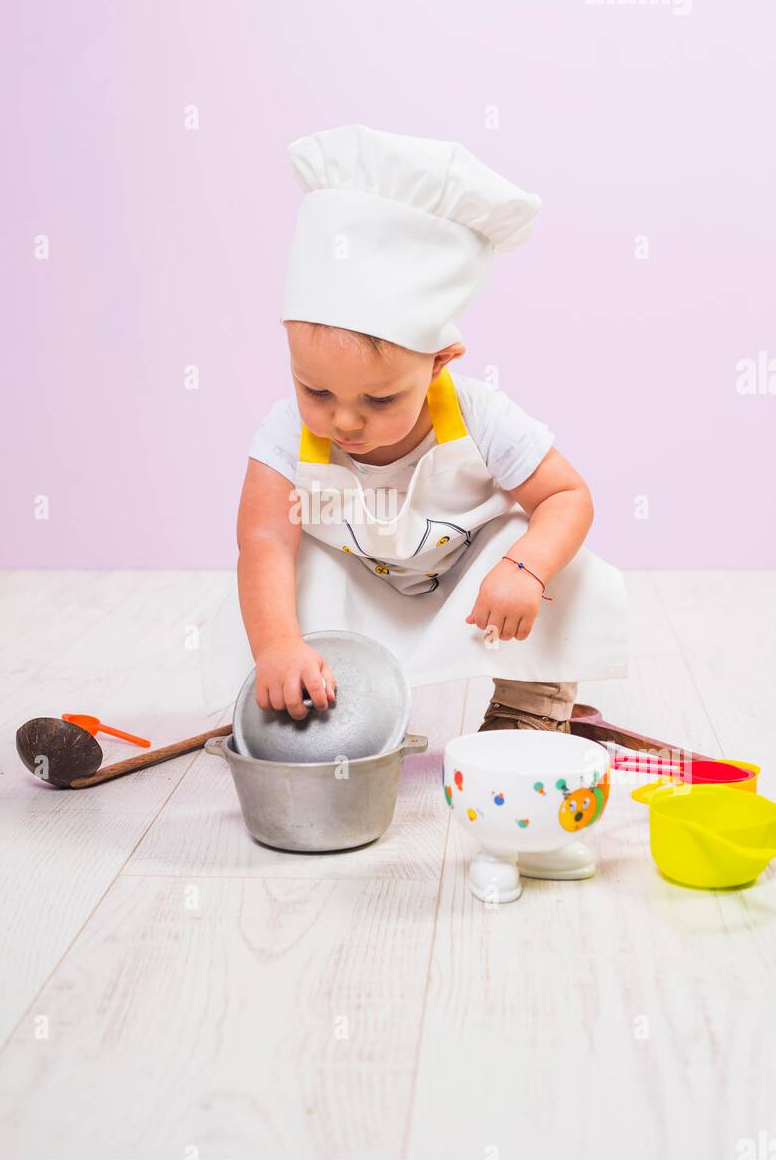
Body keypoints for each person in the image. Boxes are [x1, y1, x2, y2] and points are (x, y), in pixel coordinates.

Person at [198, 123, 628, 745]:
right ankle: (313, 697)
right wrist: (278, 644)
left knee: (550, 551)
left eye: (378, 398)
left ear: (438, 362)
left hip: (469, 586)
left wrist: (524, 571)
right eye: (315, 390)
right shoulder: (284, 432)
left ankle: (530, 702)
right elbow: (262, 538)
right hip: (357, 589)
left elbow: (568, 497)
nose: (344, 421)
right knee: (295, 564)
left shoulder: (481, 416)